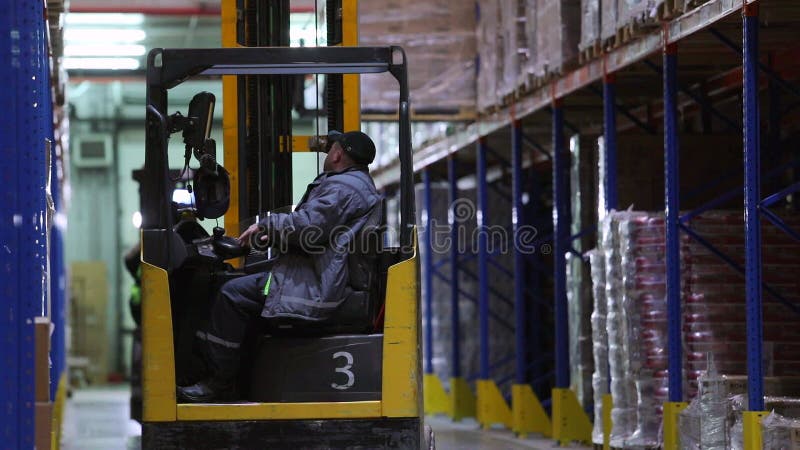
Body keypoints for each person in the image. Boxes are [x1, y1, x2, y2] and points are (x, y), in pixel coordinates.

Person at [178, 130, 381, 402]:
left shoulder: (345, 188)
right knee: (245, 280)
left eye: (330, 146)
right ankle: (237, 376)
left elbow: (310, 225)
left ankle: (218, 382)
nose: (328, 151)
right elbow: (317, 235)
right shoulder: (354, 185)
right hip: (321, 276)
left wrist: (268, 225)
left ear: (337, 153)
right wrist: (266, 236)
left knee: (231, 293)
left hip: (320, 287)